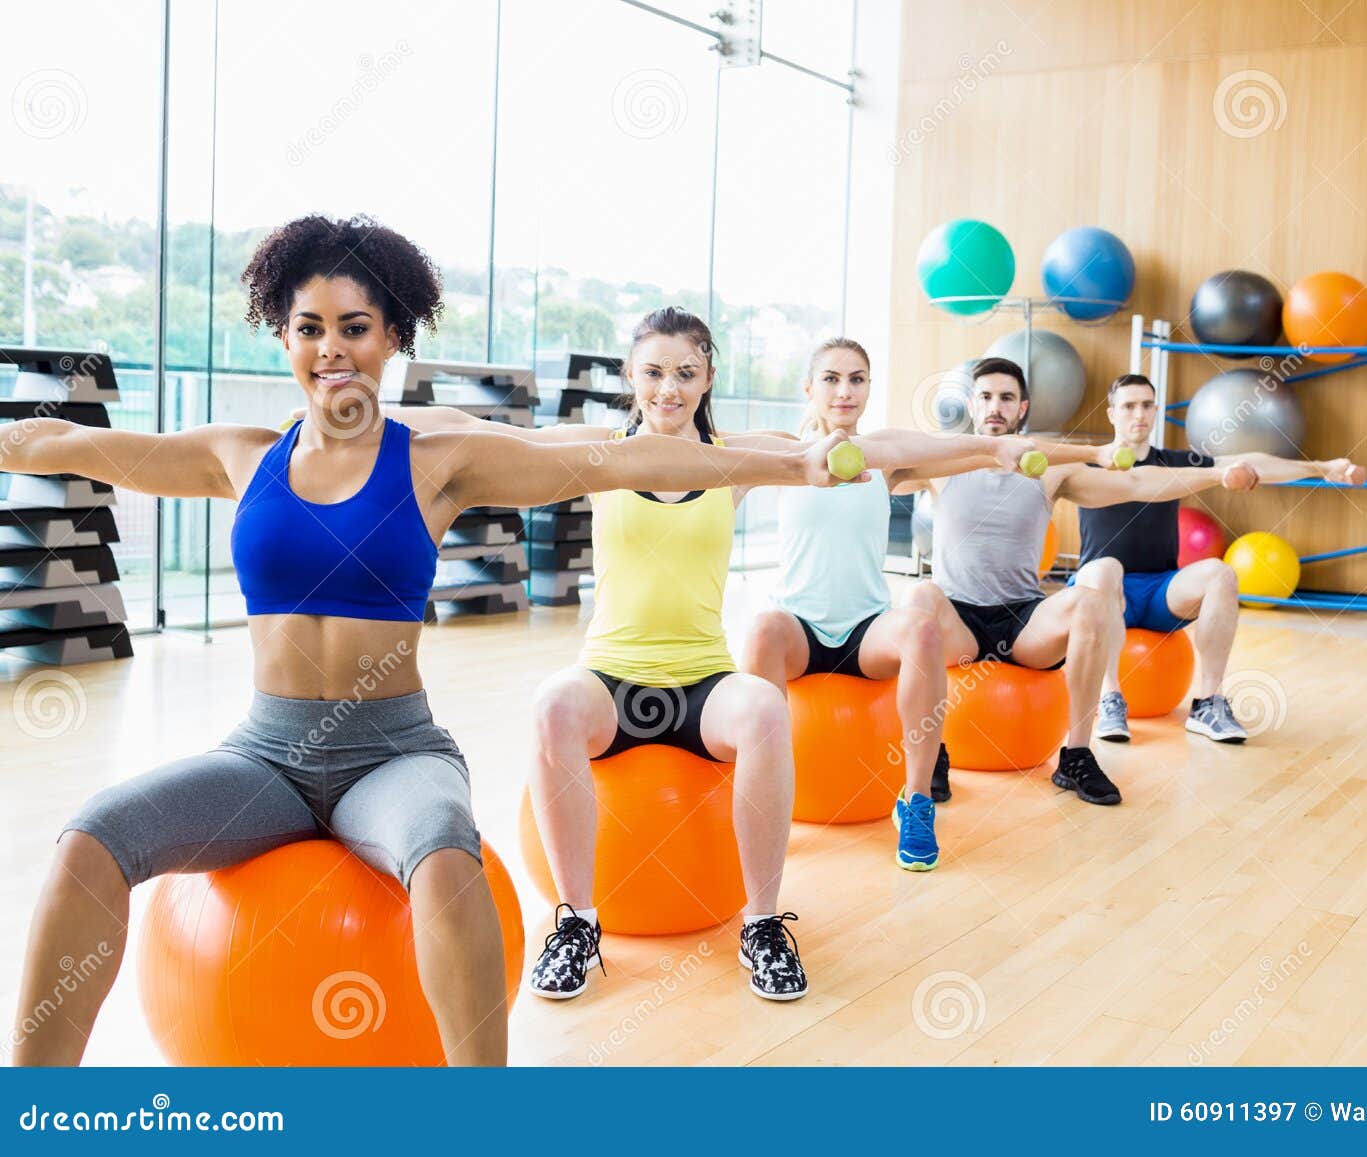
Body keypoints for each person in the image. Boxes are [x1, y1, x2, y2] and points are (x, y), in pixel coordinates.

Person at [6, 218, 849, 1066]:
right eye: (310, 327)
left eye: (355, 327)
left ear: (392, 338)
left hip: (393, 752)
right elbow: (84, 446)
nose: (330, 348)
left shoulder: (436, 460)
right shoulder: (242, 456)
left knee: (447, 859)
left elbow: (622, 461)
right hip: (263, 755)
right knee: (91, 840)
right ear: (283, 336)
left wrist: (792, 467)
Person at [383, 307, 873, 1003]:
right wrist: (375, 420)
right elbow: (494, 431)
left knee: (764, 707)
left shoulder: (733, 457)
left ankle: (762, 923)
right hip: (611, 677)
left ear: (707, 379)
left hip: (705, 680)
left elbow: (837, 443)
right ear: (629, 376)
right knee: (553, 702)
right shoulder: (603, 448)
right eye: (652, 372)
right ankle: (577, 924)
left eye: (685, 373)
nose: (668, 389)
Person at [741, 337, 1054, 873]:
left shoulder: (882, 455)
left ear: (868, 387)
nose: (845, 391)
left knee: (921, 628)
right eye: (832, 379)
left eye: (857, 379)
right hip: (799, 627)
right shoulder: (785, 452)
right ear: (809, 388)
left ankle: (916, 801)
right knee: (763, 627)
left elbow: (952, 449)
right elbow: (709, 449)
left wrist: (1002, 448)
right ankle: (768, 796)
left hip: (866, 628)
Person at [900, 357, 1261, 806]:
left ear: (1023, 407)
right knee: (919, 595)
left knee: (1090, 601)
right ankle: (931, 755)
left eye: (1007, 398)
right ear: (972, 404)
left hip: (1022, 624)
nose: (996, 407)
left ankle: (1076, 755)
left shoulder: (1048, 470)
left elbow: (1138, 484)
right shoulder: (944, 464)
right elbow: (889, 467)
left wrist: (1216, 474)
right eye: (987, 397)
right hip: (959, 622)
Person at [1071, 373, 1367, 744]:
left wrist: (1321, 468)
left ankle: (1209, 702)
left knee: (1221, 574)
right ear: (1112, 413)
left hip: (1160, 590)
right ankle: (1110, 698)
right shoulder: (1086, 467)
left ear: (1156, 410)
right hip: (1101, 591)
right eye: (1129, 406)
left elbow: (1250, 460)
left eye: (1147, 405)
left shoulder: (1178, 462)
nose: (1139, 414)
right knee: (1104, 569)